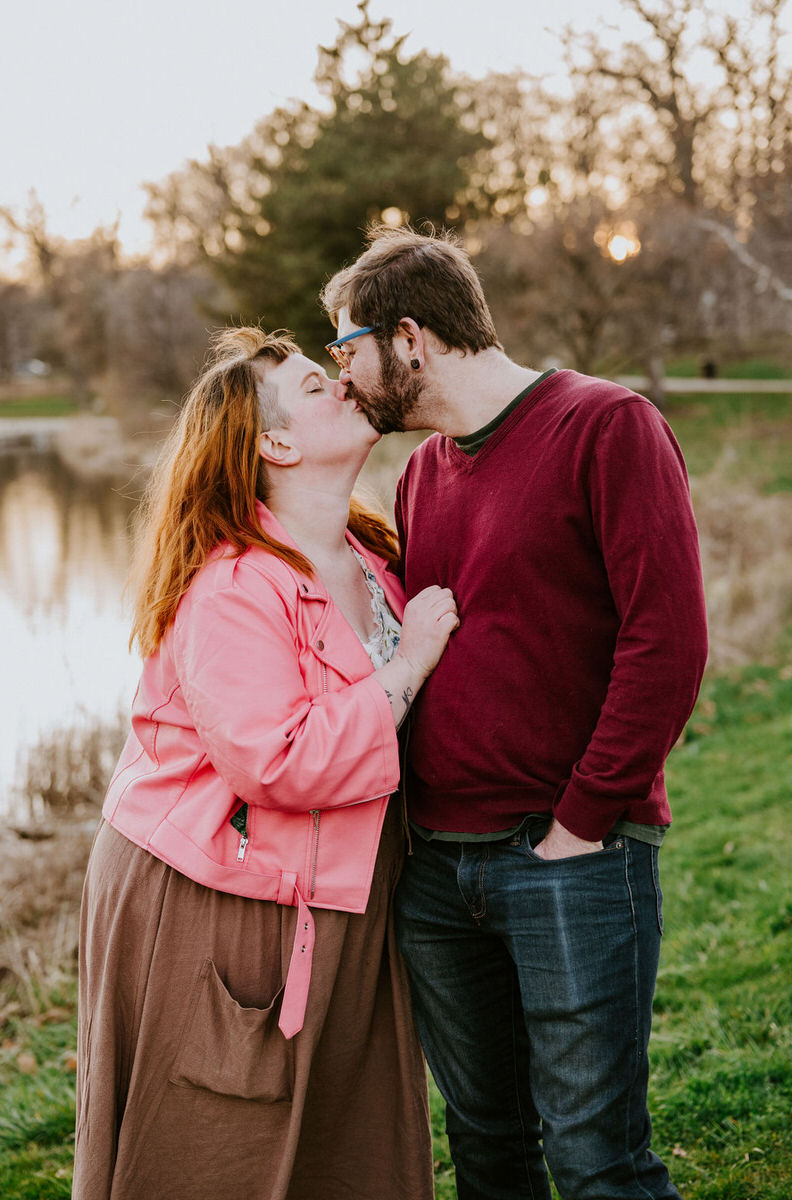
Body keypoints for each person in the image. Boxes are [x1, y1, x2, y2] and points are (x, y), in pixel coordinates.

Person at [321, 227, 708, 1200]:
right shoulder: (419, 475)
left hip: (566, 862)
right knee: (487, 1153)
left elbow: (664, 646)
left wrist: (580, 827)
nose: (340, 376)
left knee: (594, 1160)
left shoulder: (605, 427)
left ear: (407, 337)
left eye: (344, 348)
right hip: (437, 880)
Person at [72, 325, 459, 1200]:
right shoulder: (233, 584)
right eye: (317, 385)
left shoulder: (369, 556)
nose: (344, 384)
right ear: (275, 442)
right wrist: (409, 665)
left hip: (337, 894)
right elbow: (275, 761)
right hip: (212, 900)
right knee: (215, 1153)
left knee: (337, 1152)